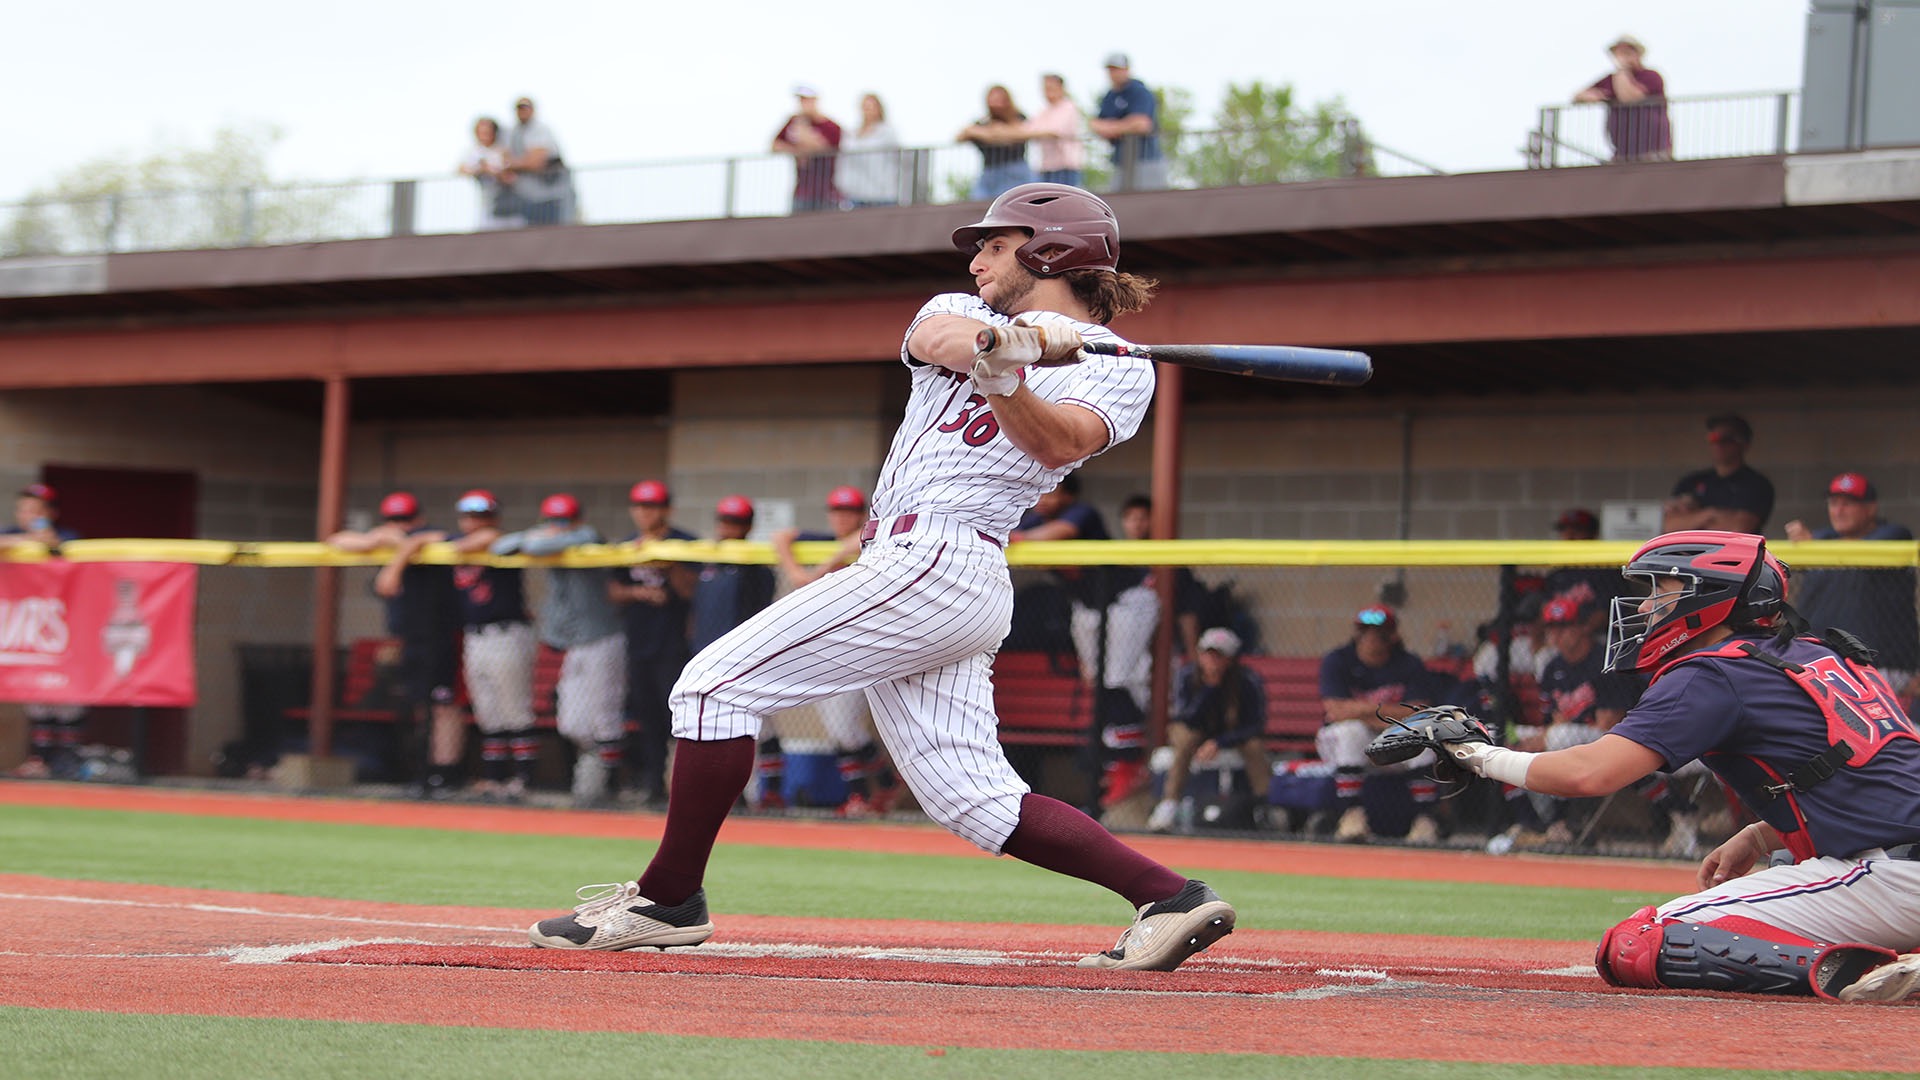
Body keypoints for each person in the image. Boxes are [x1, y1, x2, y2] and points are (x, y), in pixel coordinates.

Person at [527, 182, 1236, 973]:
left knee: (712, 688)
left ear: (1050, 250)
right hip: (914, 567)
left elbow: (1057, 442)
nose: (976, 259)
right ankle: (1168, 896)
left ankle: (668, 901)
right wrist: (1011, 346)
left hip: (943, 557)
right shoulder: (953, 307)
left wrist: (1011, 377)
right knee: (974, 800)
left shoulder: (1122, 370)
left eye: (995, 245)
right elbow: (941, 338)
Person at [1432, 530, 1920, 1003]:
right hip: (1898, 862)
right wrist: (1759, 835)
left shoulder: (1713, 669)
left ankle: (1874, 968)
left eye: (1660, 590)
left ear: (1706, 596)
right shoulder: (1820, 652)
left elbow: (1590, 774)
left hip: (1891, 876)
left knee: (1640, 942)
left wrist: (1475, 754)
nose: (1644, 607)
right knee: (1788, 857)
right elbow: (1872, 777)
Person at [1010, 475, 1146, 812]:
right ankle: (1116, 760)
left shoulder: (1082, 513)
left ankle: (1128, 760)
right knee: (1096, 681)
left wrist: (1017, 538)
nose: (1043, 498)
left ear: (1068, 494)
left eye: (1052, 490)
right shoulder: (1035, 519)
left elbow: (1058, 535)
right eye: (1040, 491)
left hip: (1126, 600)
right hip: (1087, 607)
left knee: (1114, 679)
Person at [769, 485, 899, 817]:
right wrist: (796, 571)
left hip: (867, 644)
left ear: (860, 515)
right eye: (837, 512)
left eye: (849, 512)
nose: (842, 518)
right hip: (828, 645)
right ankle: (877, 785)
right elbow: (782, 535)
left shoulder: (874, 536)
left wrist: (825, 565)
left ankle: (869, 790)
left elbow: (857, 541)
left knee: (845, 728)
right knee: (839, 729)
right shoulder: (823, 538)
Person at [325, 491, 464, 797]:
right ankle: (423, 770)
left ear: (418, 517)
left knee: (442, 705)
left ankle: (446, 773)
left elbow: (446, 539)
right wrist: (376, 538)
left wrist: (403, 552)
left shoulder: (429, 538)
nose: (399, 525)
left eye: (404, 519)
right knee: (419, 704)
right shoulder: (386, 539)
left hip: (439, 635)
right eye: (393, 519)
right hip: (408, 637)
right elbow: (335, 541)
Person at [492, 494, 627, 807]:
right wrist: (537, 534)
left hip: (603, 638)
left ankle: (610, 787)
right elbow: (500, 547)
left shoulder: (587, 536)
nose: (557, 527)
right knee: (571, 723)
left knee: (605, 716)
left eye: (563, 521)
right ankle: (594, 769)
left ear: (577, 519)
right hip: (575, 644)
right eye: (552, 521)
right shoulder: (549, 536)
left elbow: (539, 546)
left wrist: (543, 537)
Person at [1491, 595, 1646, 850]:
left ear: (1582, 627)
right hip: (1571, 734)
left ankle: (1559, 820)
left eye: (1564, 626)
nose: (1557, 635)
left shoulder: (1604, 661)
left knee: (1557, 738)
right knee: (1502, 739)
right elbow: (1555, 717)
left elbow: (1608, 722)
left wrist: (1549, 735)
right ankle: (1532, 822)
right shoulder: (1553, 667)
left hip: (1612, 738)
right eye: (1552, 628)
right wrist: (1537, 738)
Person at [1317, 605, 1448, 844]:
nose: (1371, 638)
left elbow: (1419, 711)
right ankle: (1352, 816)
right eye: (1365, 631)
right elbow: (1335, 711)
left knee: (1424, 732)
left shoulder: (1408, 664)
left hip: (1392, 741)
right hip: (1342, 744)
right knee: (1351, 731)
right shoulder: (1337, 660)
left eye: (1378, 632)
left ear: (1392, 635)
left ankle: (1424, 821)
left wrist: (1362, 709)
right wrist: (1388, 713)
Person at [443, 491, 538, 801]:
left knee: (515, 709)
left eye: (481, 516)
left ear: (493, 518)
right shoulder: (455, 545)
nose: (474, 523)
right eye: (469, 517)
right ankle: (495, 779)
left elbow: (497, 539)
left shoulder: (501, 543)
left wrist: (459, 545)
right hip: (475, 636)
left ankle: (524, 781)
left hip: (506, 633)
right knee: (488, 712)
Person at [608, 479, 697, 808]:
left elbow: (691, 591)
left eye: (652, 506)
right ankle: (651, 785)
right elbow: (614, 592)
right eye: (640, 506)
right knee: (647, 718)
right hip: (639, 641)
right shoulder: (629, 544)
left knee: (677, 717)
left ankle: (682, 787)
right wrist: (639, 592)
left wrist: (667, 562)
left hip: (674, 644)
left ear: (666, 510)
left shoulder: (684, 542)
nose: (645, 513)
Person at [1784, 472, 1918, 690]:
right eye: (1834, 503)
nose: (1839, 511)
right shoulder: (1823, 540)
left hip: (1882, 667)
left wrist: (1811, 544)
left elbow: (1874, 545)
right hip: (1822, 665)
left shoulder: (1893, 534)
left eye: (1848, 504)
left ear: (1871, 508)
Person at [687, 495, 779, 806]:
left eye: (736, 522)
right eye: (725, 521)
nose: (729, 528)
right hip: (707, 655)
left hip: (745, 659)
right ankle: (729, 796)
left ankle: (768, 794)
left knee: (758, 728)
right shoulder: (710, 560)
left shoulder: (755, 566)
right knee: (719, 727)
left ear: (748, 526)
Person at [1147, 628, 1270, 833]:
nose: (1211, 661)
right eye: (1207, 654)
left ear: (1230, 659)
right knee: (1184, 740)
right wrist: (1208, 689)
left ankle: (1264, 807)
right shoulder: (1187, 676)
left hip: (1231, 735)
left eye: (1218, 656)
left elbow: (1255, 725)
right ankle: (1169, 804)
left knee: (1255, 747)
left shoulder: (1247, 681)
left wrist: (1219, 742)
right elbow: (1186, 717)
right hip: (1194, 730)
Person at [1, 483, 85, 779]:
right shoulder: (10, 534)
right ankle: (39, 760)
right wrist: (28, 537)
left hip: (61, 625)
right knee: (36, 697)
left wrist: (42, 532)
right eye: (24, 508)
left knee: (66, 700)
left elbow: (57, 545)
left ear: (51, 512)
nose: (27, 514)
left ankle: (66, 762)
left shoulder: (69, 537)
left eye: (36, 509)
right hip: (24, 625)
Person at [1662, 413, 1774, 535]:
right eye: (1714, 438)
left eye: (1726, 439)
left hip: (1734, 553)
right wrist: (1710, 514)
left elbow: (1739, 528)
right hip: (1691, 553)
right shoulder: (1691, 481)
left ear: (1744, 444)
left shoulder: (1756, 484)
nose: (1718, 444)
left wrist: (1694, 519)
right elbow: (1669, 527)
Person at [1573, 35, 1672, 163]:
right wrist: (1593, 96)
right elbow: (1578, 96)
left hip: (1654, 151)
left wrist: (1623, 70)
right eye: (1618, 54)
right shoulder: (1610, 79)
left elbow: (1629, 97)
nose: (1622, 57)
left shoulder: (1651, 76)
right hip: (1624, 153)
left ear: (1638, 54)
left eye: (1627, 53)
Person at [1089, 53, 1168, 192]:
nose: (1112, 73)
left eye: (1116, 69)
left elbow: (1142, 124)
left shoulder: (1140, 92)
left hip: (1147, 160)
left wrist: (1112, 127)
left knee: (1149, 203)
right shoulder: (1110, 96)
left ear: (1126, 69)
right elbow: (1095, 124)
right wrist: (1125, 126)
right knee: (1120, 204)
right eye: (1110, 70)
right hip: (1120, 161)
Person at [503, 97, 575, 226]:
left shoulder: (540, 129)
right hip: (529, 196)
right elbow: (504, 156)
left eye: (525, 108)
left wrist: (512, 165)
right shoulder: (513, 132)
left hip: (554, 194)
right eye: (519, 109)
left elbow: (536, 161)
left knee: (558, 231)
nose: (522, 112)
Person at [958, 85, 1035, 202]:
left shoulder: (1019, 118)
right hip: (989, 172)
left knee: (1010, 203)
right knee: (980, 204)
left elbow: (1026, 132)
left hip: (1014, 170)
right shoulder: (983, 122)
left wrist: (1000, 133)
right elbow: (962, 135)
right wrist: (989, 134)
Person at [773, 85, 842, 213]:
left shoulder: (831, 127)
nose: (803, 105)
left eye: (806, 100)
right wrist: (796, 151)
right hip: (802, 192)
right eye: (801, 101)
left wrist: (805, 135)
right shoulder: (793, 121)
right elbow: (775, 144)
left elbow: (826, 149)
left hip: (826, 194)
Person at [456, 116, 524, 230]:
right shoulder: (473, 151)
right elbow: (461, 169)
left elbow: (511, 177)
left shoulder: (502, 151)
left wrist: (494, 173)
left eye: (487, 132)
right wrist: (479, 169)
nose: (483, 136)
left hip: (507, 207)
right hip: (486, 206)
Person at [838, 94, 903, 209]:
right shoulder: (852, 133)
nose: (867, 110)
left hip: (882, 193)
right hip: (855, 193)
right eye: (865, 107)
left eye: (871, 107)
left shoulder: (887, 132)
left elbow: (898, 158)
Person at [1029, 73, 1087, 187]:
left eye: (1051, 88)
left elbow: (1054, 131)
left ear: (1061, 88)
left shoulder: (1068, 107)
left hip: (1066, 167)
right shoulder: (1044, 111)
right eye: (1045, 88)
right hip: (1047, 167)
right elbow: (1029, 129)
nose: (1047, 92)